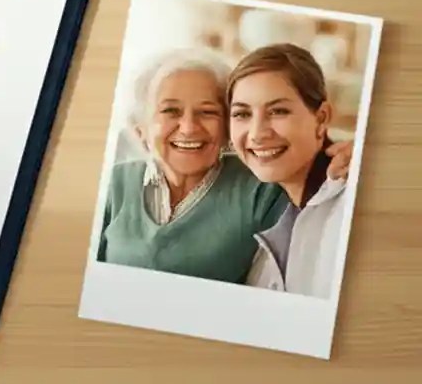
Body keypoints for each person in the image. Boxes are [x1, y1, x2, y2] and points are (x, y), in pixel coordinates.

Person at [99, 48, 351, 285]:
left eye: (207, 112)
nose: (188, 128)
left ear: (227, 128)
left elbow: (309, 157)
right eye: (171, 111)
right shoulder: (114, 183)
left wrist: (356, 151)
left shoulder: (263, 184)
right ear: (140, 128)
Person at [228, 44, 351, 298]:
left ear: (321, 118)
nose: (257, 133)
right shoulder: (277, 212)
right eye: (242, 114)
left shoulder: (349, 201)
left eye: (278, 111)